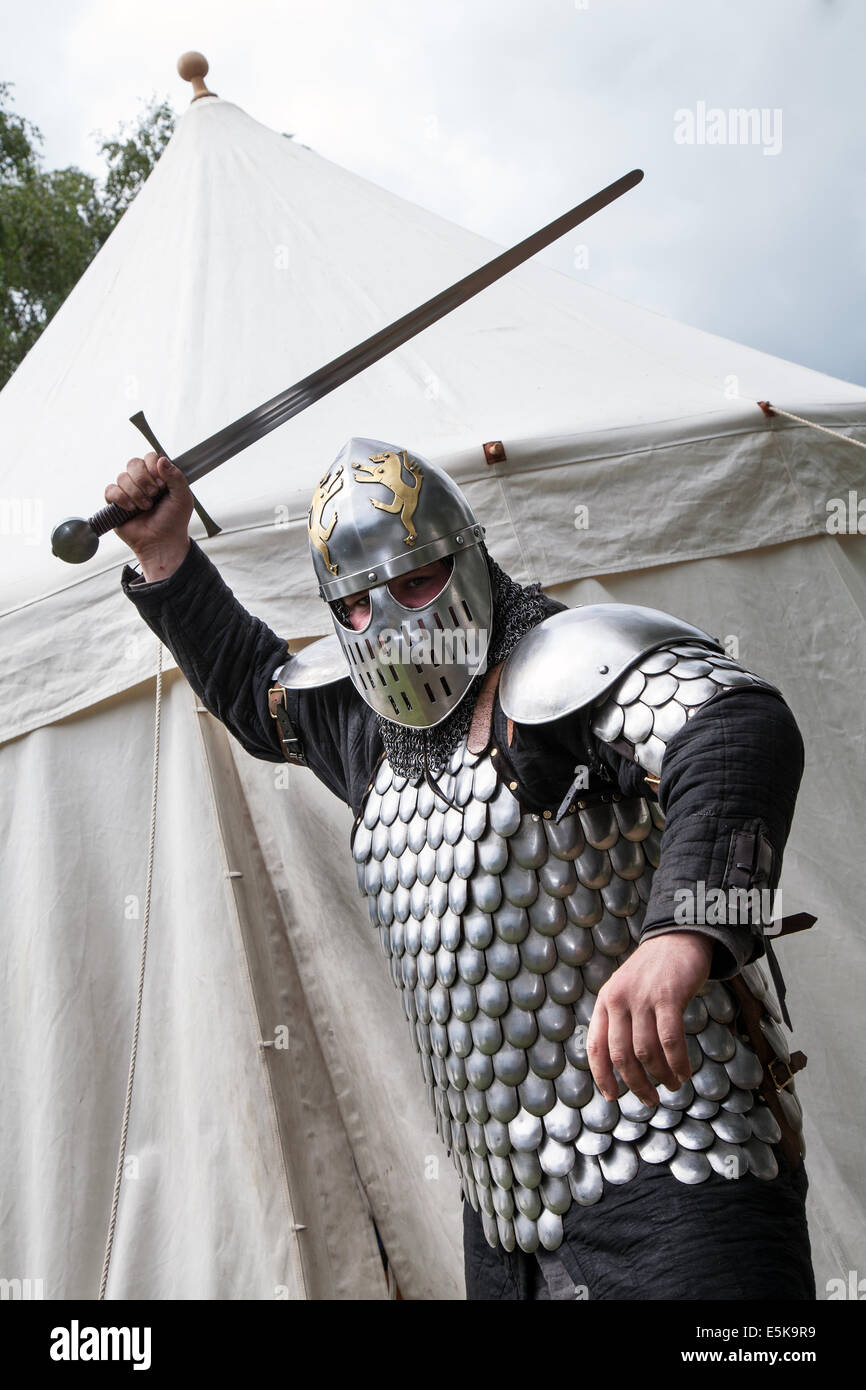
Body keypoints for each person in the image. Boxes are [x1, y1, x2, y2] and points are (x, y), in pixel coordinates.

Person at [109, 437, 815, 1301]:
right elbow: (260, 693)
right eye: (362, 604)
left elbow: (738, 729)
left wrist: (682, 935)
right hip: (507, 1212)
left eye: (417, 581)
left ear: (469, 558)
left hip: (679, 1169)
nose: (397, 619)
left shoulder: (568, 667)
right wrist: (167, 554)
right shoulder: (369, 733)